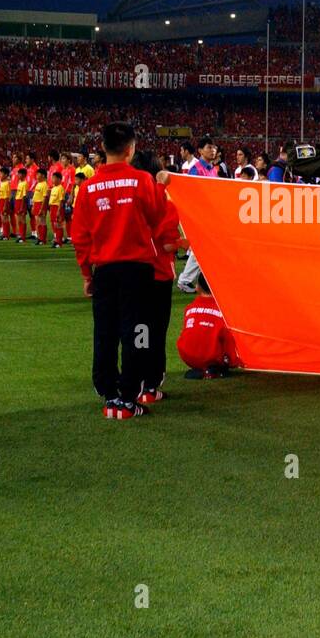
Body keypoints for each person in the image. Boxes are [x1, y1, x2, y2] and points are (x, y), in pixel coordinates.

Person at [72, 122, 166, 420]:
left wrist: (88, 274)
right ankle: (128, 396)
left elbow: (80, 237)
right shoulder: (142, 181)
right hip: (137, 271)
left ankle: (108, 392)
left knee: (105, 333)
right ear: (131, 149)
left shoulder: (87, 188)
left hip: (105, 271)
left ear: (102, 148)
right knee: (137, 333)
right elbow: (156, 217)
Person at [131, 149, 185, 405]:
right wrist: (184, 243)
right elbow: (165, 245)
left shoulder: (128, 201)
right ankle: (150, 386)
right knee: (156, 331)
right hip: (158, 276)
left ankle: (134, 380)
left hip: (132, 275)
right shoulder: (166, 205)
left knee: (138, 329)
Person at [177, 274, 239, 379]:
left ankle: (200, 368)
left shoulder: (189, 308)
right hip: (210, 356)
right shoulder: (223, 310)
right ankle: (211, 369)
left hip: (187, 355)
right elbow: (228, 340)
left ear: (197, 287)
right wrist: (233, 361)